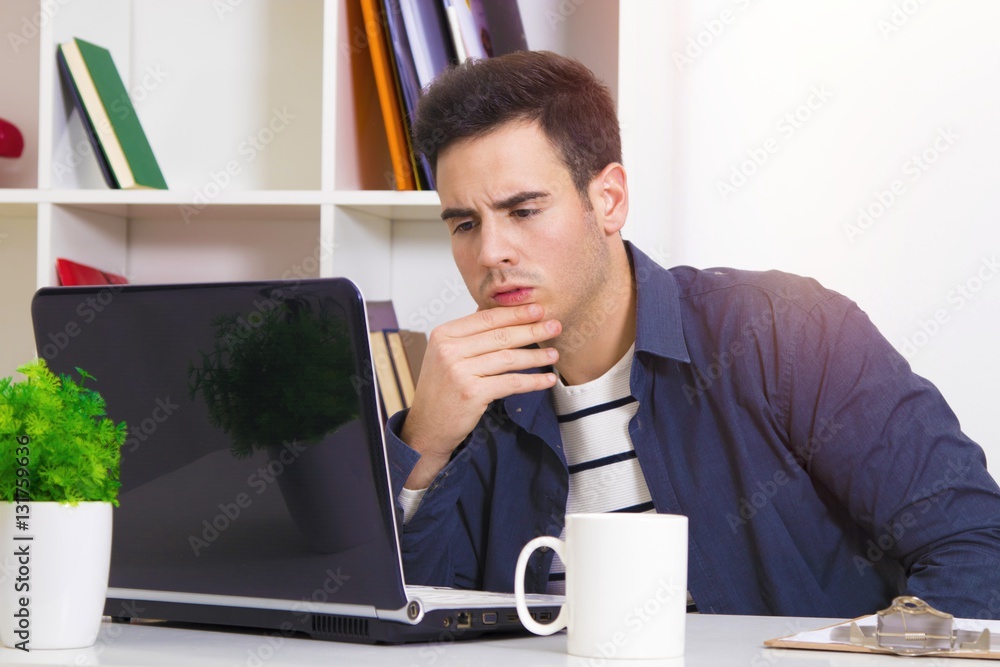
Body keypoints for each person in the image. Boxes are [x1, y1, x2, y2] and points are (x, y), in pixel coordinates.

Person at [384, 50, 1000, 619]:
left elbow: (975, 545)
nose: (492, 252)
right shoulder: (472, 409)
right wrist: (425, 448)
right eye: (465, 223)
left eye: (522, 211)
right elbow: (419, 622)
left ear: (609, 200)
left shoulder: (788, 331)